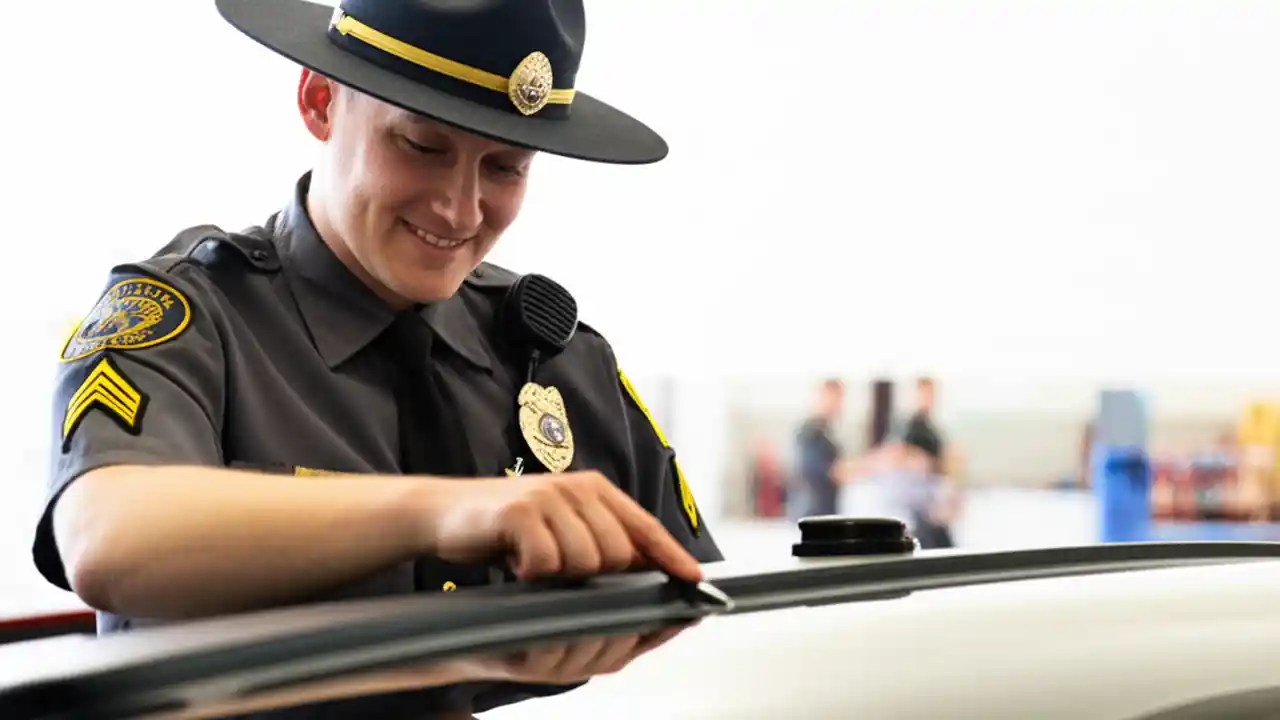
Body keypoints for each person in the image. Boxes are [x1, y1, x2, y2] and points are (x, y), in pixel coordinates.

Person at [34, 0, 722, 635]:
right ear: (318, 101)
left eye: (506, 168)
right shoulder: (188, 320)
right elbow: (105, 540)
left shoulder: (565, 362)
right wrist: (447, 512)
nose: (461, 210)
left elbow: (712, 613)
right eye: (421, 147)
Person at [791, 379, 846, 519]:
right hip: (812, 513)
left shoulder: (826, 431)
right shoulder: (810, 432)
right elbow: (833, 472)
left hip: (824, 512)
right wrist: (875, 463)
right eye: (834, 397)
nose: (838, 404)